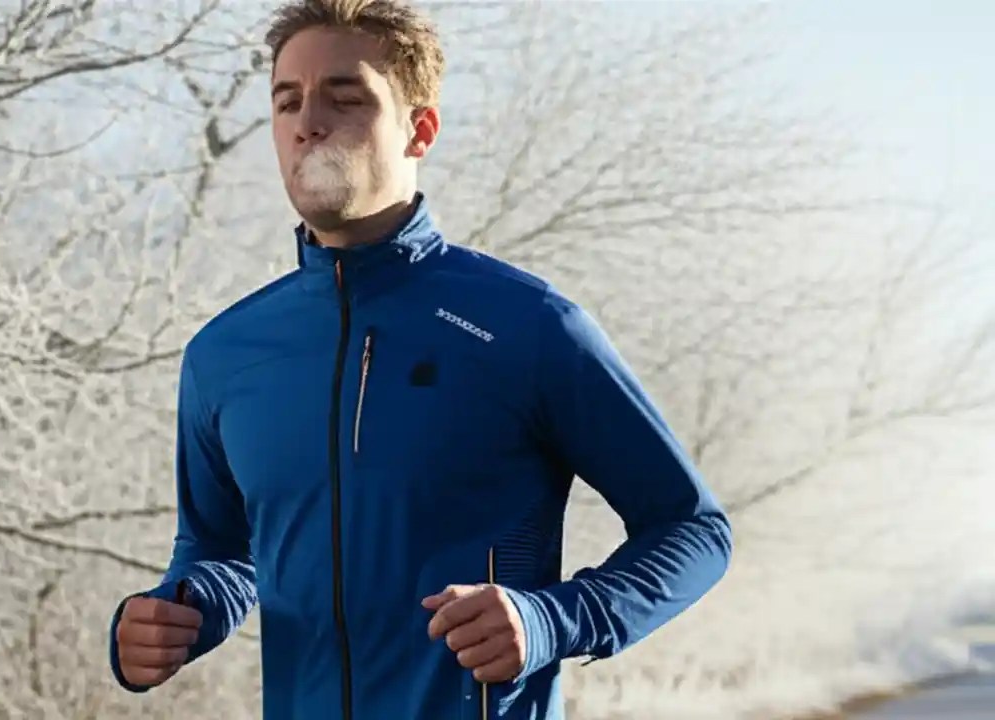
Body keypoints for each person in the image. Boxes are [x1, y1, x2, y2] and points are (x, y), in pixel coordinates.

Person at [108, 1, 733, 718]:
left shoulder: (527, 326)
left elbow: (692, 529)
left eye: (346, 98)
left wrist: (551, 620)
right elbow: (219, 550)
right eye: (288, 101)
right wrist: (176, 613)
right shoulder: (224, 355)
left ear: (420, 129)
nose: (308, 120)